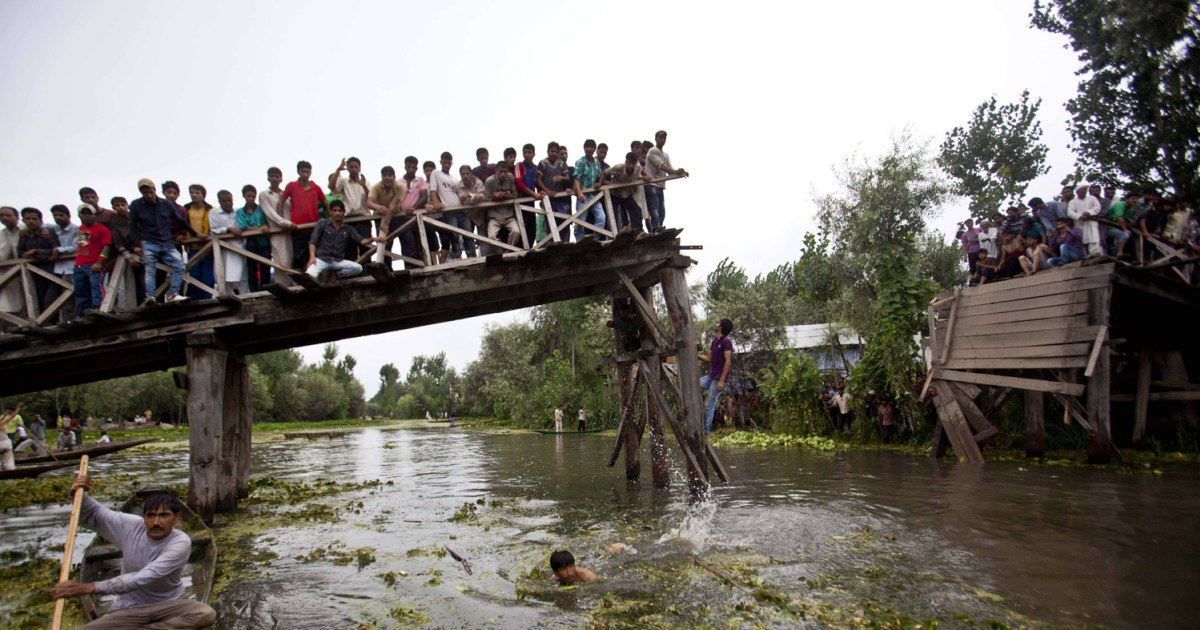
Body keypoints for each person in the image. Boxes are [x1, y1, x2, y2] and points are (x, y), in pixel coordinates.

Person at [49, 477, 217, 629]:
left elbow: (143, 577)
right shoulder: (131, 526)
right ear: (144, 517)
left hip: (169, 606)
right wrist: (79, 494)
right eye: (151, 516)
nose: (156, 522)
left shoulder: (180, 542)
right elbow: (94, 513)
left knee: (205, 614)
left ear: (176, 517)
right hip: (129, 608)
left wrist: (89, 587)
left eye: (164, 515)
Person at [130, 178, 193, 305]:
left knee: (180, 266)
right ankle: (150, 297)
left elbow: (180, 220)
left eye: (150, 192)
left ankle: (173, 294)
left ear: (154, 190)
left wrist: (195, 233)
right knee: (150, 269)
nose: (148, 195)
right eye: (145, 193)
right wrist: (136, 245)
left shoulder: (165, 204)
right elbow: (132, 226)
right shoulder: (136, 205)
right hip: (148, 242)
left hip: (166, 242)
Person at [307, 200, 380, 280]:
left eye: (340, 211)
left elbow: (361, 241)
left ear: (343, 213)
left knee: (358, 268)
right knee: (310, 275)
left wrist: (373, 239)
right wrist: (312, 257)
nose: (337, 213)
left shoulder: (348, 229)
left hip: (338, 261)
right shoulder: (322, 224)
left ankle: (337, 275)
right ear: (330, 212)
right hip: (322, 259)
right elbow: (312, 242)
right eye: (334, 210)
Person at [278, 161, 329, 272]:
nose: (305, 174)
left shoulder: (316, 187)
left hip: (314, 227)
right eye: (303, 171)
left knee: (317, 255)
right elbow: (281, 201)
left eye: (307, 171)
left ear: (311, 172)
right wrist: (281, 221)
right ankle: (300, 282)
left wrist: (329, 220)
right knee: (299, 256)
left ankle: (315, 278)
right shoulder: (291, 186)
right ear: (298, 172)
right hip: (298, 228)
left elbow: (326, 203)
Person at [428, 152, 475, 260]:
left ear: (451, 163)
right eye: (444, 162)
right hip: (449, 210)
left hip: (461, 209)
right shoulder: (436, 173)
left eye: (448, 162)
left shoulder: (455, 179)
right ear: (440, 162)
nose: (446, 164)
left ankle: (471, 255)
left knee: (468, 233)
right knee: (454, 235)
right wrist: (435, 203)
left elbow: (460, 193)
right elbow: (433, 189)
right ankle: (458, 257)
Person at [18, 207, 62, 313]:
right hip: (32, 274)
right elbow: (19, 252)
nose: (31, 221)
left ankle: (50, 322)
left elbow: (56, 250)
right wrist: (24, 255)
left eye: (34, 219)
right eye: (27, 219)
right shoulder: (24, 236)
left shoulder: (48, 233)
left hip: (50, 273)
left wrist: (36, 251)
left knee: (50, 301)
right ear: (23, 220)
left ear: (40, 221)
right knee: (35, 300)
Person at [644, 130, 688, 232]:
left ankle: (659, 228)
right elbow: (663, 166)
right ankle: (656, 228)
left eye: (664, 138)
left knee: (661, 211)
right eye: (660, 137)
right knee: (654, 209)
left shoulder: (665, 155)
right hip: (651, 184)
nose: (662, 140)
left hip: (660, 185)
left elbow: (671, 170)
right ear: (656, 138)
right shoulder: (652, 151)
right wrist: (675, 171)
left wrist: (680, 172)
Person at [73, 204, 113, 314]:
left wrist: (99, 262)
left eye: (89, 214)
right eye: (83, 214)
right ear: (79, 215)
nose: (86, 216)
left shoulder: (102, 230)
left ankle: (98, 310)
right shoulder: (82, 229)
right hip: (79, 265)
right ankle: (84, 313)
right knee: (80, 290)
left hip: (93, 265)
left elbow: (106, 247)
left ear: (94, 215)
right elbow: (84, 245)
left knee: (96, 288)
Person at [258, 167, 294, 286]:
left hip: (291, 232)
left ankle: (294, 289)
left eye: (277, 176)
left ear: (281, 179)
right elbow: (271, 215)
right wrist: (286, 223)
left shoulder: (286, 196)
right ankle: (284, 290)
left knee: (292, 261)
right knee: (281, 263)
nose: (274, 179)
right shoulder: (264, 195)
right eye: (272, 176)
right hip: (277, 232)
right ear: (268, 177)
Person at [698, 318, 734, 434]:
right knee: (694, 385)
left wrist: (721, 381)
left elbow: (728, 361)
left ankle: (705, 432)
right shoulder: (715, 341)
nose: (715, 324)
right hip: (711, 376)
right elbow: (708, 358)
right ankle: (697, 418)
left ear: (721, 327)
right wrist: (696, 354)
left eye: (718, 323)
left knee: (710, 404)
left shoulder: (726, 342)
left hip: (719, 378)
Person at [206, 191, 246, 295]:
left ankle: (246, 295)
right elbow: (214, 229)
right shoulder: (213, 212)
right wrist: (228, 229)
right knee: (224, 274)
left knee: (242, 274)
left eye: (230, 200)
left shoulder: (238, 211)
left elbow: (244, 225)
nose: (228, 203)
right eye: (225, 201)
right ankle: (227, 295)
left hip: (240, 247)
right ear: (219, 201)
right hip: (224, 248)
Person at [604, 152, 654, 233]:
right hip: (615, 193)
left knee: (636, 210)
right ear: (625, 162)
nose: (631, 166)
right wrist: (604, 182)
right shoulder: (619, 167)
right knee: (613, 213)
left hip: (626, 194)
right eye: (629, 163)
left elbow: (642, 172)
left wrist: (647, 176)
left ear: (636, 163)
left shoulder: (638, 168)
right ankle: (613, 234)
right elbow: (604, 172)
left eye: (633, 163)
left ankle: (638, 231)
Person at [328, 157, 372, 241]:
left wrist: (364, 186)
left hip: (364, 220)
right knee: (350, 250)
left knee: (366, 250)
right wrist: (338, 170)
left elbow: (370, 199)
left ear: (360, 169)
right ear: (347, 168)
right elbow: (331, 186)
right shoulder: (343, 181)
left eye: (356, 167)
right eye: (351, 167)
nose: (354, 169)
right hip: (349, 220)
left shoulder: (366, 182)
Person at [237, 186, 272, 292]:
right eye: (248, 196)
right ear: (244, 196)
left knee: (265, 267)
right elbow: (243, 226)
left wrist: (265, 226)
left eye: (253, 196)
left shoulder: (261, 209)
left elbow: (267, 222)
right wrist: (258, 228)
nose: (251, 198)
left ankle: (266, 290)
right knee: (251, 268)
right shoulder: (240, 211)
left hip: (264, 241)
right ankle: (254, 292)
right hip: (251, 241)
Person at [182, 185, 214, 300]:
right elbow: (181, 225)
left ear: (203, 195)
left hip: (207, 247)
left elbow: (215, 226)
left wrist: (210, 234)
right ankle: (195, 300)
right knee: (194, 275)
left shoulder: (211, 209)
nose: (194, 195)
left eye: (197, 192)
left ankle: (207, 299)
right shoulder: (185, 209)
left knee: (207, 276)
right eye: (192, 192)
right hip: (192, 247)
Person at [49, 204, 80, 322]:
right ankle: (68, 322)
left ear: (69, 216)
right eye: (55, 215)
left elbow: (78, 247)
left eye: (61, 215)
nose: (58, 217)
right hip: (60, 270)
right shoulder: (54, 229)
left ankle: (78, 320)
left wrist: (59, 250)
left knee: (78, 296)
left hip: (75, 268)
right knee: (65, 299)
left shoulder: (78, 229)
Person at [573, 139, 607, 241]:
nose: (589, 149)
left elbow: (602, 172)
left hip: (593, 196)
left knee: (602, 217)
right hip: (583, 196)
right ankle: (580, 242)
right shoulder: (580, 162)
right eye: (587, 147)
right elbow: (576, 178)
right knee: (581, 222)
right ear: (584, 148)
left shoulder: (597, 162)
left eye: (592, 147)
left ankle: (594, 240)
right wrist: (579, 193)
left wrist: (599, 182)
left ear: (594, 149)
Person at [537, 142, 572, 243]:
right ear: (548, 152)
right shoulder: (543, 163)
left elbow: (568, 178)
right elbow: (538, 180)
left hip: (560, 198)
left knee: (564, 220)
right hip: (548, 199)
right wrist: (547, 191)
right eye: (552, 151)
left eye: (556, 152)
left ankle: (565, 243)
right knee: (550, 222)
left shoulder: (561, 163)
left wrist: (561, 177)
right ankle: (553, 244)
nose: (554, 153)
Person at [484, 162, 522, 248]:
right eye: (501, 171)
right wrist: (495, 196)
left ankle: (508, 250)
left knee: (516, 232)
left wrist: (504, 195)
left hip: (509, 215)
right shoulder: (489, 181)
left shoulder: (510, 177)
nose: (503, 174)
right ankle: (500, 253)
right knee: (491, 237)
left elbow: (515, 195)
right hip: (494, 216)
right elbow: (486, 199)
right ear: (496, 170)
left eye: (505, 172)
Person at [0, 206, 25, 324]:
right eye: (1, 216)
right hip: (8, 274)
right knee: (7, 305)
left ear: (17, 217)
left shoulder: (25, 230)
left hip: (27, 272)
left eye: (8, 215)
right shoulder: (2, 234)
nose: (4, 218)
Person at [1067, 185, 1103, 256]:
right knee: (1082, 240)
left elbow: (1097, 207)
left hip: (1091, 222)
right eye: (1083, 190)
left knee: (1094, 238)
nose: (1085, 191)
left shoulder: (1092, 198)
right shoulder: (1073, 201)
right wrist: (1080, 216)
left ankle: (1095, 253)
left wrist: (1089, 212)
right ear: (1078, 192)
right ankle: (1085, 256)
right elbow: (1070, 212)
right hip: (1080, 223)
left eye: (1085, 190)